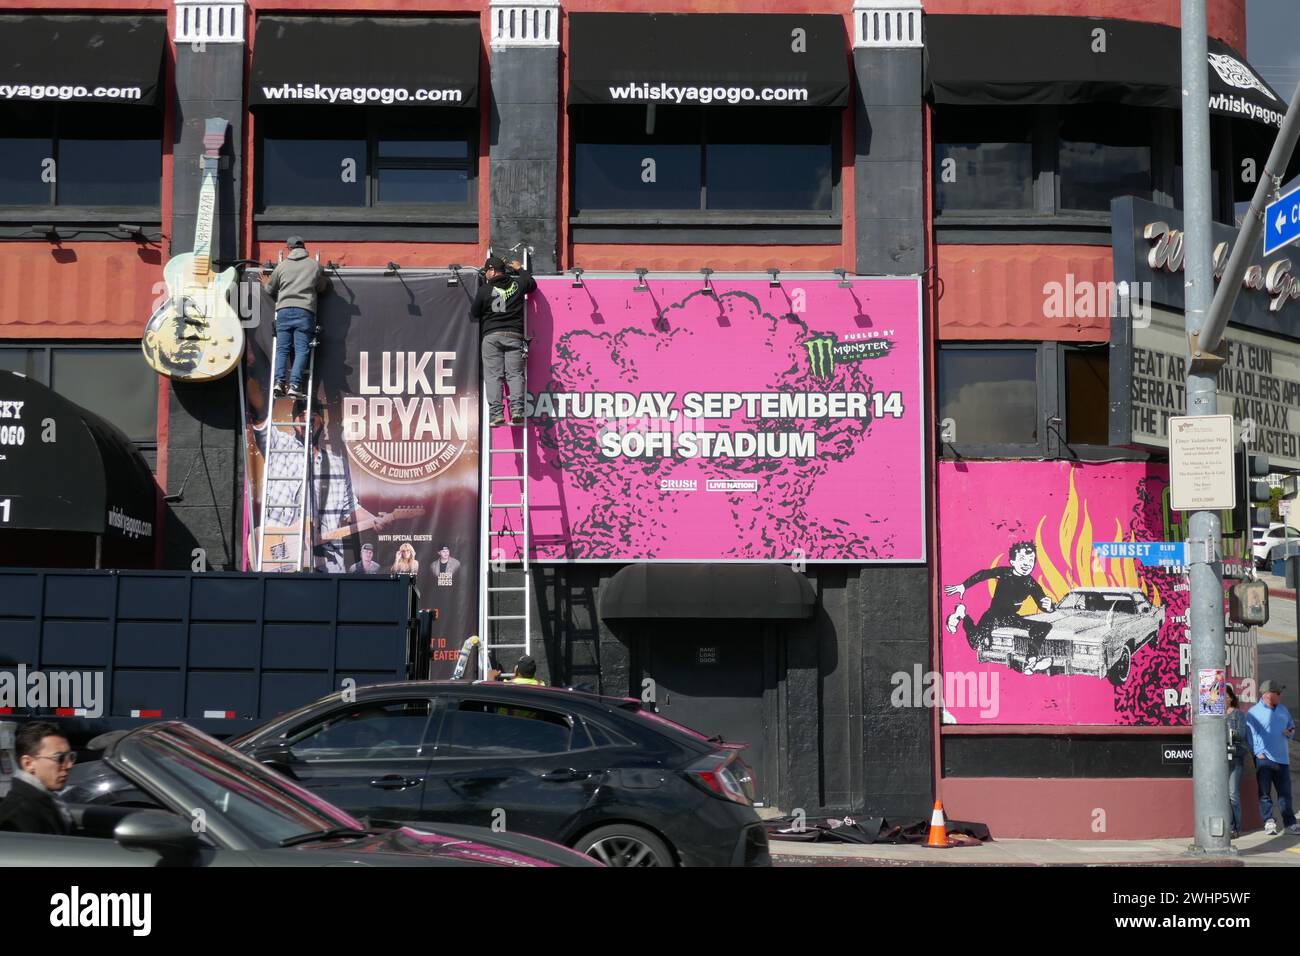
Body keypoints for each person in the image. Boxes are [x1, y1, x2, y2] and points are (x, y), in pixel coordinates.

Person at [260, 401, 391, 573]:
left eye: (313, 414)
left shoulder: (337, 463)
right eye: (301, 414)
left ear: (322, 420)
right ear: (293, 421)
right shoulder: (279, 446)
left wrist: (375, 519)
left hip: (328, 563)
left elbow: (350, 507)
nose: (307, 418)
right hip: (282, 558)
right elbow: (259, 417)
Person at [943, 541, 1056, 672]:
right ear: (1012, 562)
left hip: (1011, 618)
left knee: (1045, 627)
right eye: (1022, 559)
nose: (1026, 563)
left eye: (1031, 560)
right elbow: (983, 574)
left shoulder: (1031, 583)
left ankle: (1031, 660)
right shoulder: (1004, 573)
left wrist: (1049, 606)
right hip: (993, 616)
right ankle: (962, 614)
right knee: (975, 643)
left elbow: (1042, 602)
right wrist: (963, 586)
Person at [470, 255, 536, 427]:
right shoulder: (518, 284)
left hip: (491, 336)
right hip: (515, 336)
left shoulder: (485, 289)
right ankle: (517, 411)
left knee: (493, 376)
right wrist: (519, 268)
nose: (485, 275)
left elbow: (474, 313)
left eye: (486, 272)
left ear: (492, 270)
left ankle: (496, 414)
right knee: (515, 375)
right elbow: (532, 284)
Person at [264, 236, 330, 400]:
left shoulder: (282, 266)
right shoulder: (314, 265)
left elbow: (270, 289)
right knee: (301, 350)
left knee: (282, 350)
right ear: (304, 247)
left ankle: (279, 383)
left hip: (284, 311)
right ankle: (294, 385)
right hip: (304, 311)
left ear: (289, 248)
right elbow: (322, 287)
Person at [0, 721, 75, 835]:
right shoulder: (17, 817)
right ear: (28, 763)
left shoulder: (46, 802)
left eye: (71, 757)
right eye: (60, 758)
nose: (69, 765)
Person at [1246, 679, 1299, 835]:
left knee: (1285, 793)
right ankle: (1269, 821)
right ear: (1268, 695)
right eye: (1278, 693)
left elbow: (1291, 725)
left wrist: (1290, 733)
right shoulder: (1254, 713)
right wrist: (1258, 753)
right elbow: (1250, 735)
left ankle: (1290, 823)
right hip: (1265, 759)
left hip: (1283, 758)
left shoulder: (1283, 709)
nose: (1281, 696)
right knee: (1265, 793)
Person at [1225, 683, 1248, 838]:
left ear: (1231, 698)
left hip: (1234, 757)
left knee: (1232, 793)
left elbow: (1241, 734)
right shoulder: (1215, 714)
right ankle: (1227, 825)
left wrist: (1226, 732)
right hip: (1219, 758)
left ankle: (1235, 828)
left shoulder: (1238, 714)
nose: (1224, 699)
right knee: (1222, 795)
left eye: (1226, 696)